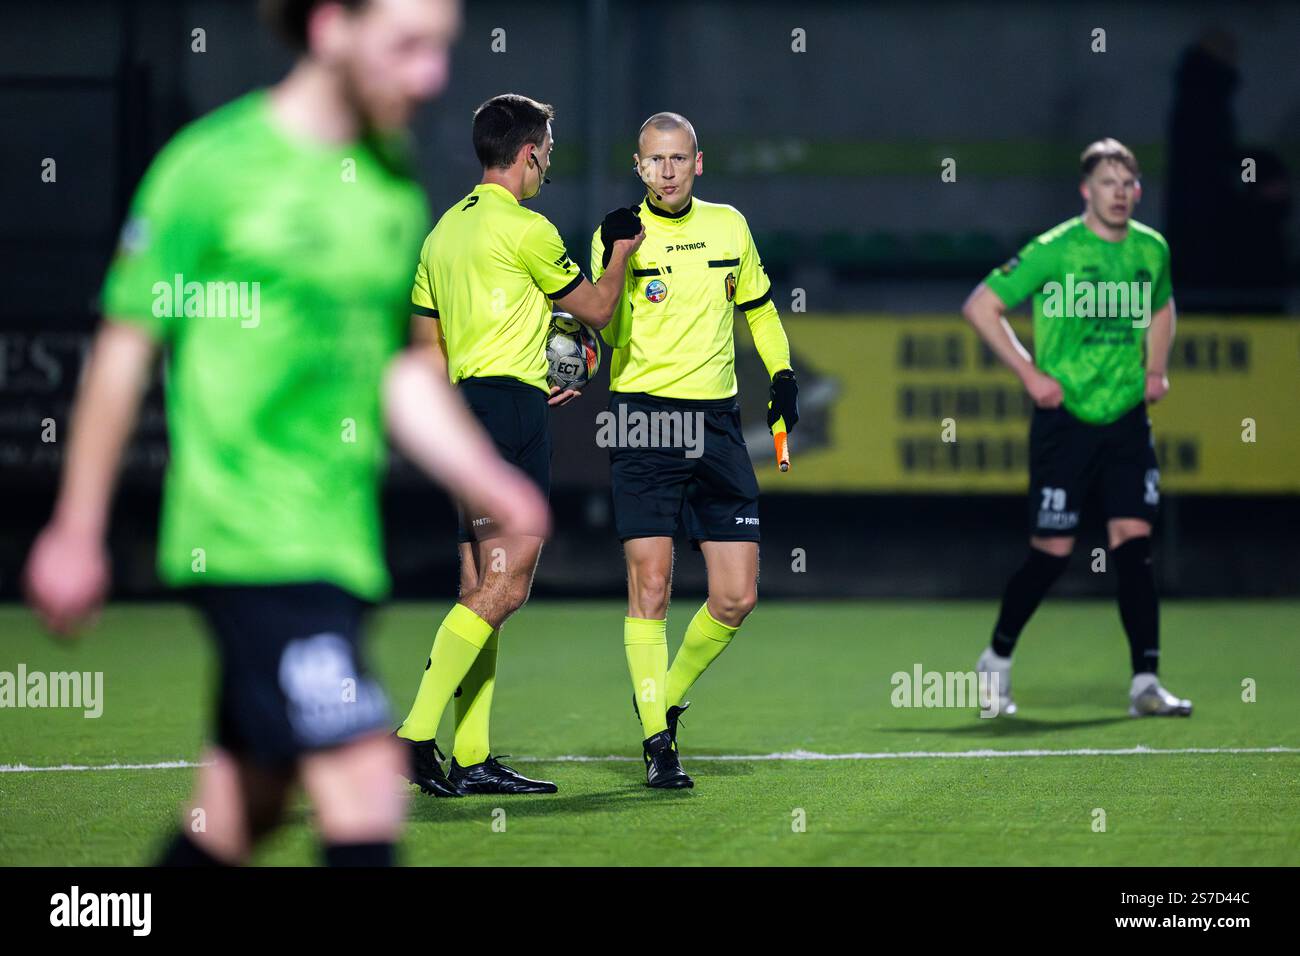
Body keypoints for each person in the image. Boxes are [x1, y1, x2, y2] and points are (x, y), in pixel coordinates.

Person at [24, 0, 549, 867]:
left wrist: (488, 475)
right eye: (406, 47)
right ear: (327, 26)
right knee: (363, 784)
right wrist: (77, 529)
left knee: (244, 809)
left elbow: (394, 372)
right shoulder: (211, 169)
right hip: (247, 541)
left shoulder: (385, 183)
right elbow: (124, 351)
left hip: (339, 544)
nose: (432, 77)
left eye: (441, 49)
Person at [395, 92, 644, 796]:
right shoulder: (527, 228)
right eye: (548, 156)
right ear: (530, 153)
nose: (547, 168)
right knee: (506, 587)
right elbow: (594, 307)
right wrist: (622, 252)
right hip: (510, 414)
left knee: (480, 584)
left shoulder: (442, 233)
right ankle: (413, 734)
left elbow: (426, 346)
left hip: (463, 411)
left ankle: (470, 757)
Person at [591, 112, 798, 788]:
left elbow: (761, 309)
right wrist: (620, 259)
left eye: (680, 159)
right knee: (651, 586)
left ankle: (662, 697)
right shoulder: (615, 233)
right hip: (643, 421)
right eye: (657, 160)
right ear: (639, 165)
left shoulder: (729, 226)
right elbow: (607, 329)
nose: (669, 170)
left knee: (737, 597)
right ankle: (658, 743)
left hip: (716, 423)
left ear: (698, 163)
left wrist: (784, 375)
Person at [961, 138, 1192, 719]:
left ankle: (1145, 681)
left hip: (1125, 419)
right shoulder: (1056, 249)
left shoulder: (1151, 249)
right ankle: (996, 661)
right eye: (1107, 183)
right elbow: (982, 306)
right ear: (1086, 190)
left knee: (1134, 546)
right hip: (1065, 422)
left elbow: (1162, 306)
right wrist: (1030, 374)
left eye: (1128, 184)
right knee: (1052, 553)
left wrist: (1156, 368)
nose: (1119, 194)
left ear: (1138, 191)